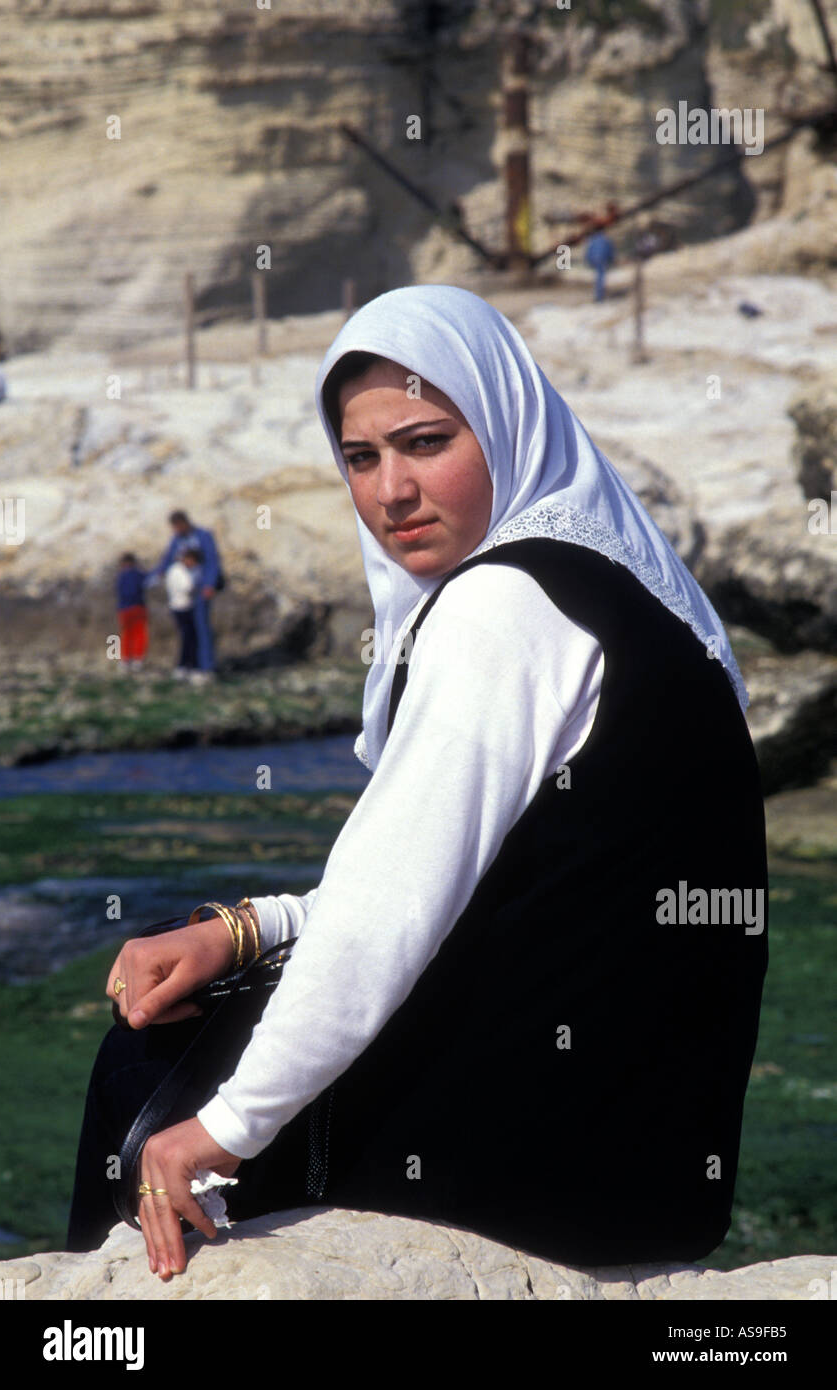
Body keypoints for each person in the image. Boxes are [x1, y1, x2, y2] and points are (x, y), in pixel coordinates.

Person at [67, 284, 768, 1281]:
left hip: (523, 1179)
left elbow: (391, 913)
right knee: (215, 992)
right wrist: (243, 927)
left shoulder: (500, 609)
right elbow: (473, 878)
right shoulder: (618, 593)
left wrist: (220, 1129)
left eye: (427, 441)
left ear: (503, 425)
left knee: (144, 1063)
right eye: (361, 457)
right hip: (647, 1174)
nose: (391, 489)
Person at [145, 510, 221, 683]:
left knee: (202, 628)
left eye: (179, 526)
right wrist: (153, 576)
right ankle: (189, 666)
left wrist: (209, 584)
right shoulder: (177, 540)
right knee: (188, 632)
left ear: (185, 523)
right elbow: (167, 561)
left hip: (200, 590)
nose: (177, 530)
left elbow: (212, 561)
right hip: (184, 593)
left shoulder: (203, 536)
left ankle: (206, 668)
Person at [165, 545, 202, 682]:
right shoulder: (179, 571)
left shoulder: (174, 569)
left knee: (189, 638)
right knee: (189, 638)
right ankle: (186, 666)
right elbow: (188, 587)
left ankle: (185, 667)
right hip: (182, 607)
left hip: (181, 606)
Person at [115, 552, 149, 673]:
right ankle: (137, 659)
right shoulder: (139, 574)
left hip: (124, 609)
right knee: (139, 634)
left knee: (126, 634)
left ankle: (125, 659)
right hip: (138, 608)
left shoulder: (121, 576)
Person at [584, 229, 616, 301]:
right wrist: (611, 260)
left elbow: (589, 251)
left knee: (598, 277)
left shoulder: (592, 240)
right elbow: (610, 250)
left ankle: (599, 295)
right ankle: (600, 296)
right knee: (600, 277)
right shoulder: (606, 240)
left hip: (595, 260)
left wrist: (588, 260)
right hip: (602, 260)